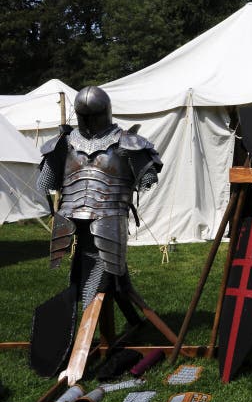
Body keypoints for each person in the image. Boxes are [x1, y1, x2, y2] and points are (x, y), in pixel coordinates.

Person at [37, 86, 162, 312]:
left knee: (102, 269)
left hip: (110, 215)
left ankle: (90, 313)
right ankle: (93, 310)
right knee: (84, 267)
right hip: (70, 214)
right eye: (87, 116)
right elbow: (46, 182)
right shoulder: (63, 142)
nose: (91, 121)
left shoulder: (128, 141)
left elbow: (148, 179)